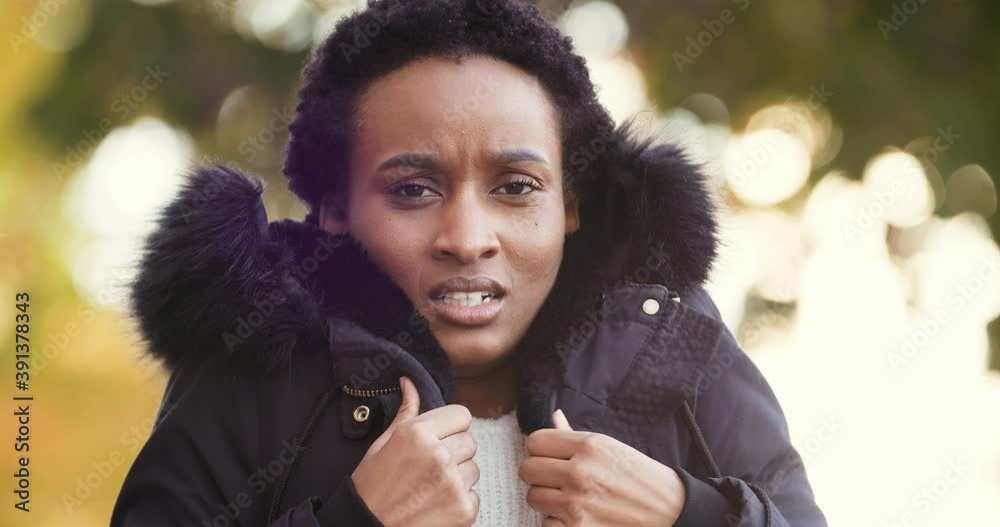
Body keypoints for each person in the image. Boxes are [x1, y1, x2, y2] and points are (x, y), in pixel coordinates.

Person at [110, 0, 828, 525]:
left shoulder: (669, 344)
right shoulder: (251, 370)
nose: (467, 236)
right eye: (413, 190)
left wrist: (686, 511)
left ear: (571, 201)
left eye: (515, 188)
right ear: (334, 207)